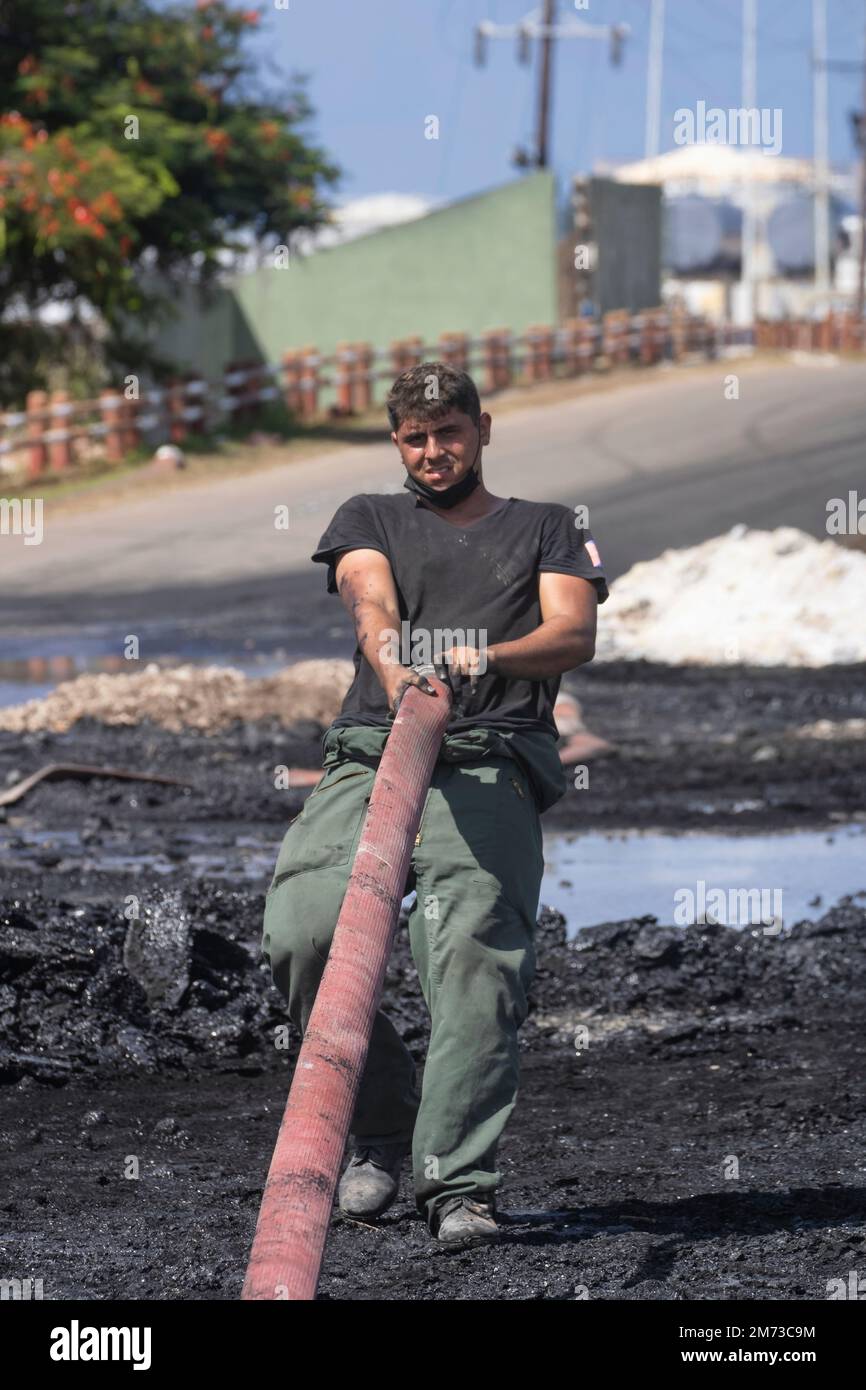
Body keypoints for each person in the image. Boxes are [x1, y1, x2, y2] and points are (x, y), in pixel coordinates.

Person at [261, 361, 608, 1249]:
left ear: (483, 428)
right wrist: (388, 657)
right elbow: (367, 596)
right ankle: (380, 1127)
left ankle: (457, 1183)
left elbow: (573, 632)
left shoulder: (548, 527)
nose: (433, 451)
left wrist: (482, 660)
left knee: (471, 953)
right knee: (304, 930)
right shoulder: (368, 516)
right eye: (415, 438)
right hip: (371, 751)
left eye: (448, 432)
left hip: (490, 758)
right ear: (396, 443)